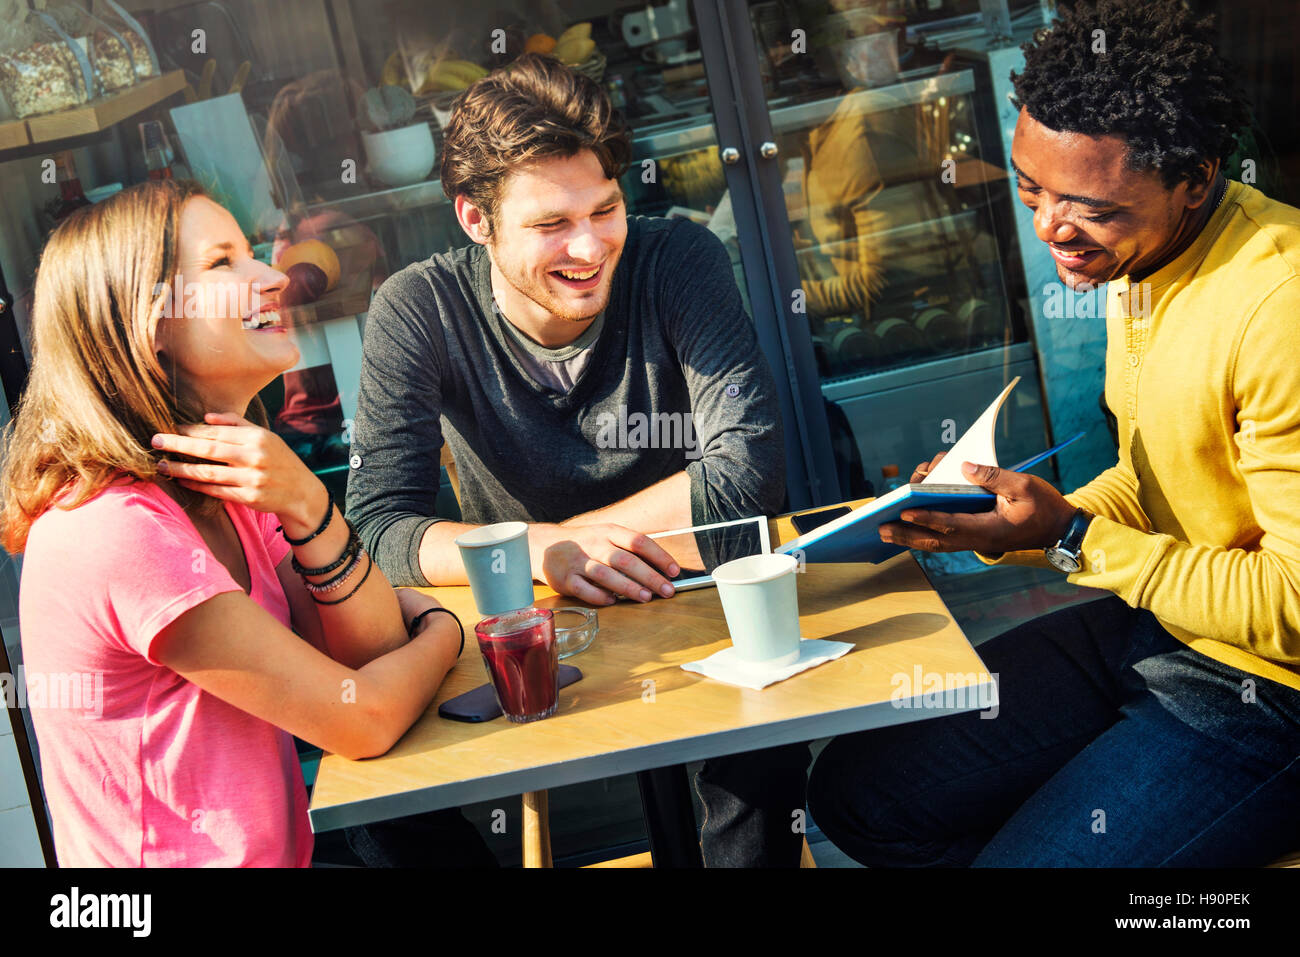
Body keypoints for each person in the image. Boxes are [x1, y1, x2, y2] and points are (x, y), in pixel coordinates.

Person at [808, 0, 1300, 866]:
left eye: (1090, 208)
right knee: (858, 790)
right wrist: (1021, 517)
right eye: (1031, 188)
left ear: (1196, 177)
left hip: (1272, 695)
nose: (1047, 229)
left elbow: (1293, 607)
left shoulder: (1278, 304)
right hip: (1161, 632)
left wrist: (1071, 536)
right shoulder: (1145, 252)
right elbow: (1163, 485)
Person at [345, 54, 809, 867]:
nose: (590, 246)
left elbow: (747, 472)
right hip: (536, 629)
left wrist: (570, 540)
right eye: (551, 224)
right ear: (474, 219)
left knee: (761, 759)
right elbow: (380, 525)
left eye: (605, 208)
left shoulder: (677, 261)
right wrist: (541, 553)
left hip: (699, 589)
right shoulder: (419, 308)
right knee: (373, 805)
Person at [2, 179, 493, 867]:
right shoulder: (113, 527)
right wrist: (443, 630)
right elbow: (364, 715)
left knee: (436, 844)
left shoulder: (220, 479)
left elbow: (364, 655)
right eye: (224, 262)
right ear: (152, 327)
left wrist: (309, 506)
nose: (271, 277)